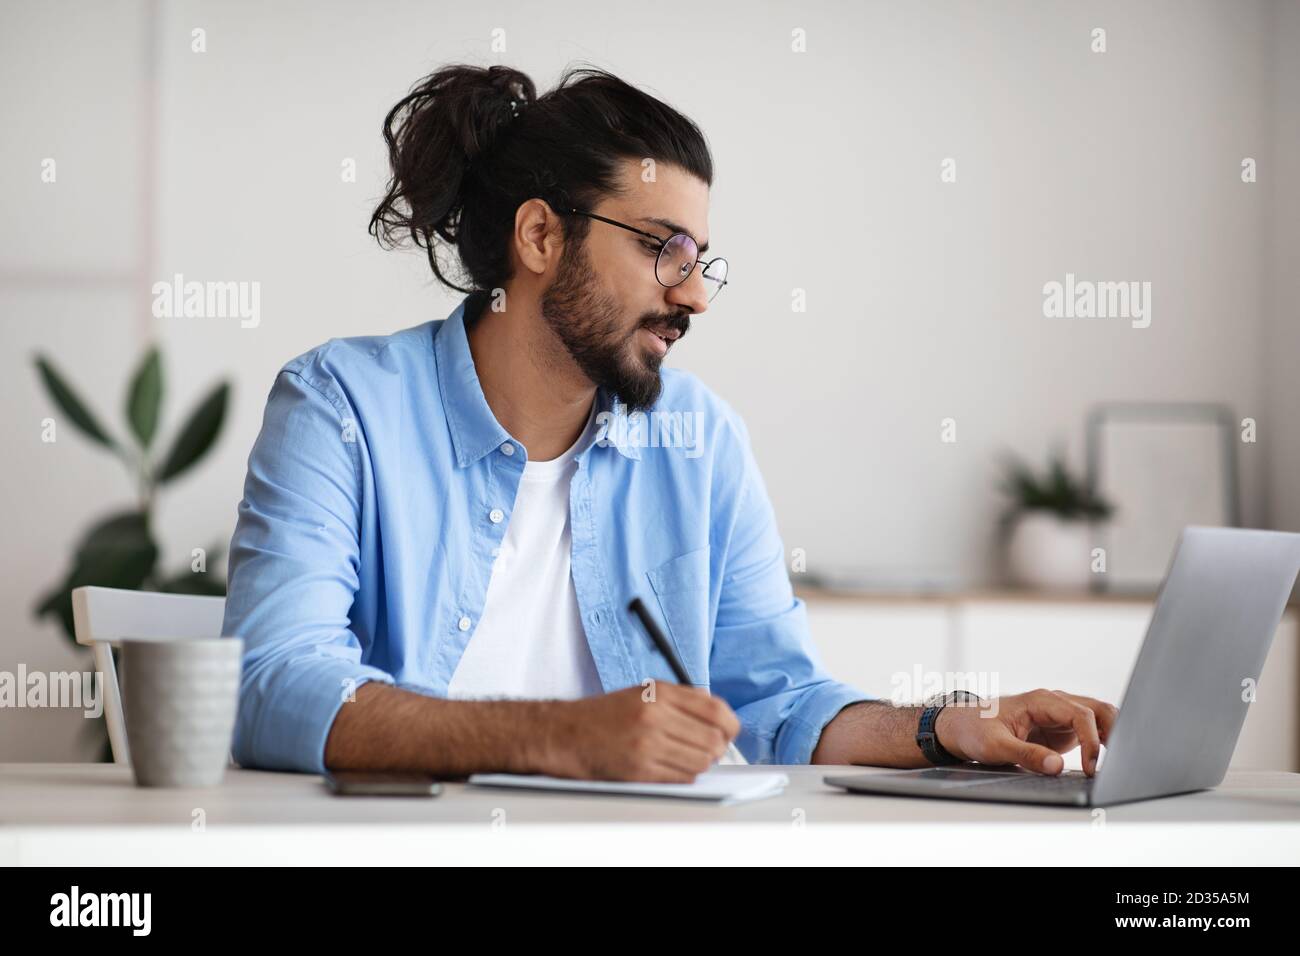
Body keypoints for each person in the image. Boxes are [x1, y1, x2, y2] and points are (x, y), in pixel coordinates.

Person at [222, 62, 1116, 781]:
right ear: (540, 239)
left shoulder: (701, 439)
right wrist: (560, 738)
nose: (692, 294)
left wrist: (948, 728)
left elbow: (779, 702)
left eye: (701, 260)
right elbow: (272, 684)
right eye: (664, 250)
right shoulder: (341, 406)